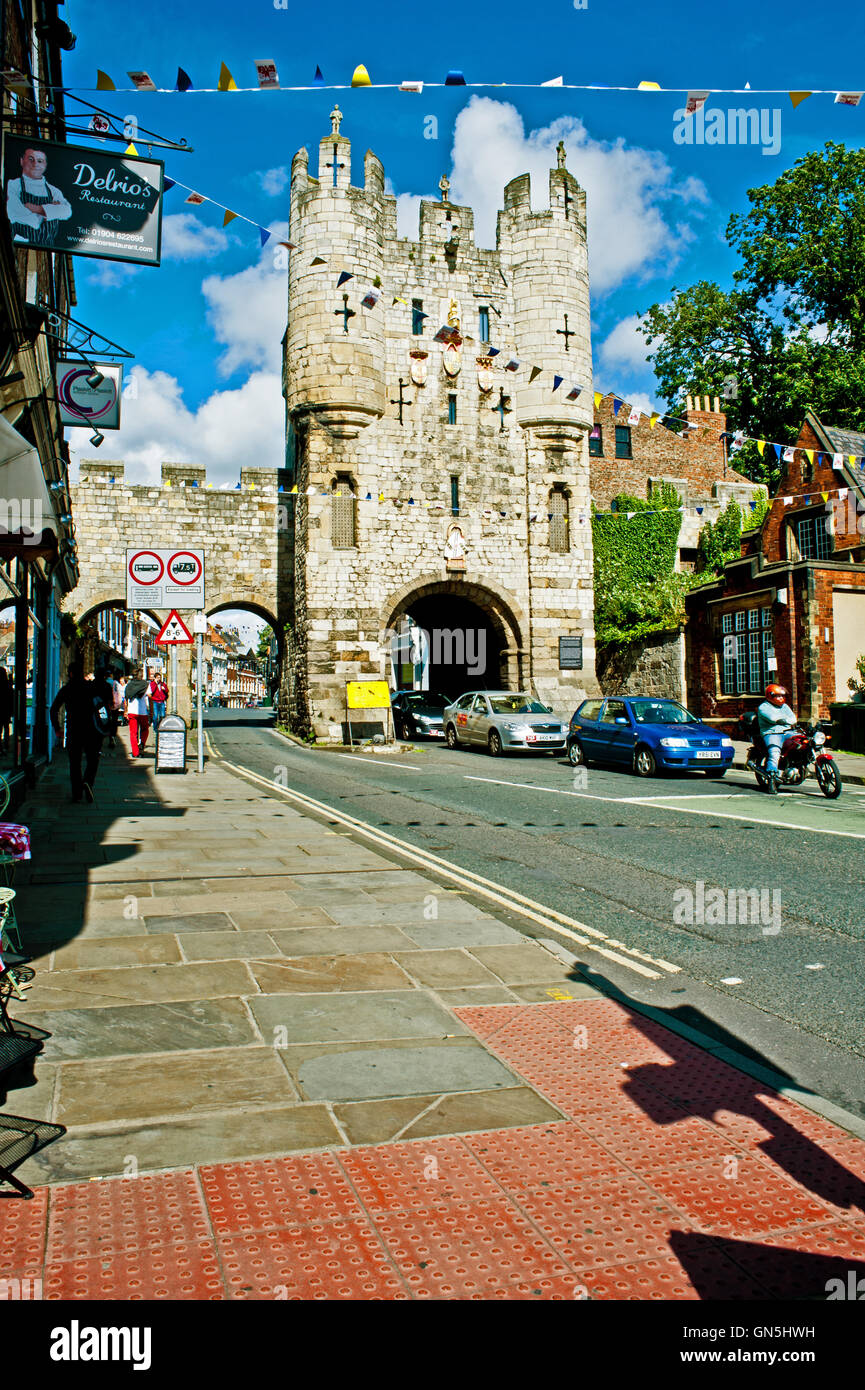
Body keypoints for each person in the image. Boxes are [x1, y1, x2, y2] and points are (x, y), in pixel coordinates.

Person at [50, 659, 113, 802]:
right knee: (93, 759)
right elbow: (103, 705)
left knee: (75, 763)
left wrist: (57, 728)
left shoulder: (66, 689)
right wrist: (106, 726)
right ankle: (88, 782)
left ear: (70, 673)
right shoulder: (91, 687)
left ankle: (77, 794)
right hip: (93, 730)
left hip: (74, 730)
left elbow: (54, 709)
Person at [6, 146, 72, 247]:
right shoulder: (13, 185)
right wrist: (50, 211)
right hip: (19, 244)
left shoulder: (53, 191)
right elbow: (14, 213)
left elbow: (67, 211)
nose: (35, 164)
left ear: (45, 165)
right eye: (31, 159)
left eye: (40, 161)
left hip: (48, 246)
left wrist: (37, 208)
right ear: (22, 161)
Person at [756, 682, 797, 794]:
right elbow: (773, 718)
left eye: (782, 696)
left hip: (787, 732)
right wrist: (783, 719)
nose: (781, 698)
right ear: (770, 696)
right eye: (778, 696)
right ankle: (772, 780)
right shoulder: (763, 707)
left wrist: (787, 720)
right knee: (774, 753)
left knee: (801, 741)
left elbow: (793, 718)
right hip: (772, 733)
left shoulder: (785, 706)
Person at [123, 668, 151, 758]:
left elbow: (125, 699)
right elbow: (150, 697)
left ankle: (135, 753)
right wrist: (151, 711)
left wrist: (126, 711)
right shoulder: (146, 684)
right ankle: (142, 743)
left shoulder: (129, 685)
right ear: (141, 675)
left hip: (132, 711)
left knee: (133, 733)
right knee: (145, 729)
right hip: (143, 711)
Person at [0, 667, 13, 755]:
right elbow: (11, 698)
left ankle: (1, 746)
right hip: (6, 710)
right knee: (6, 727)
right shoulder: (8, 685)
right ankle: (6, 744)